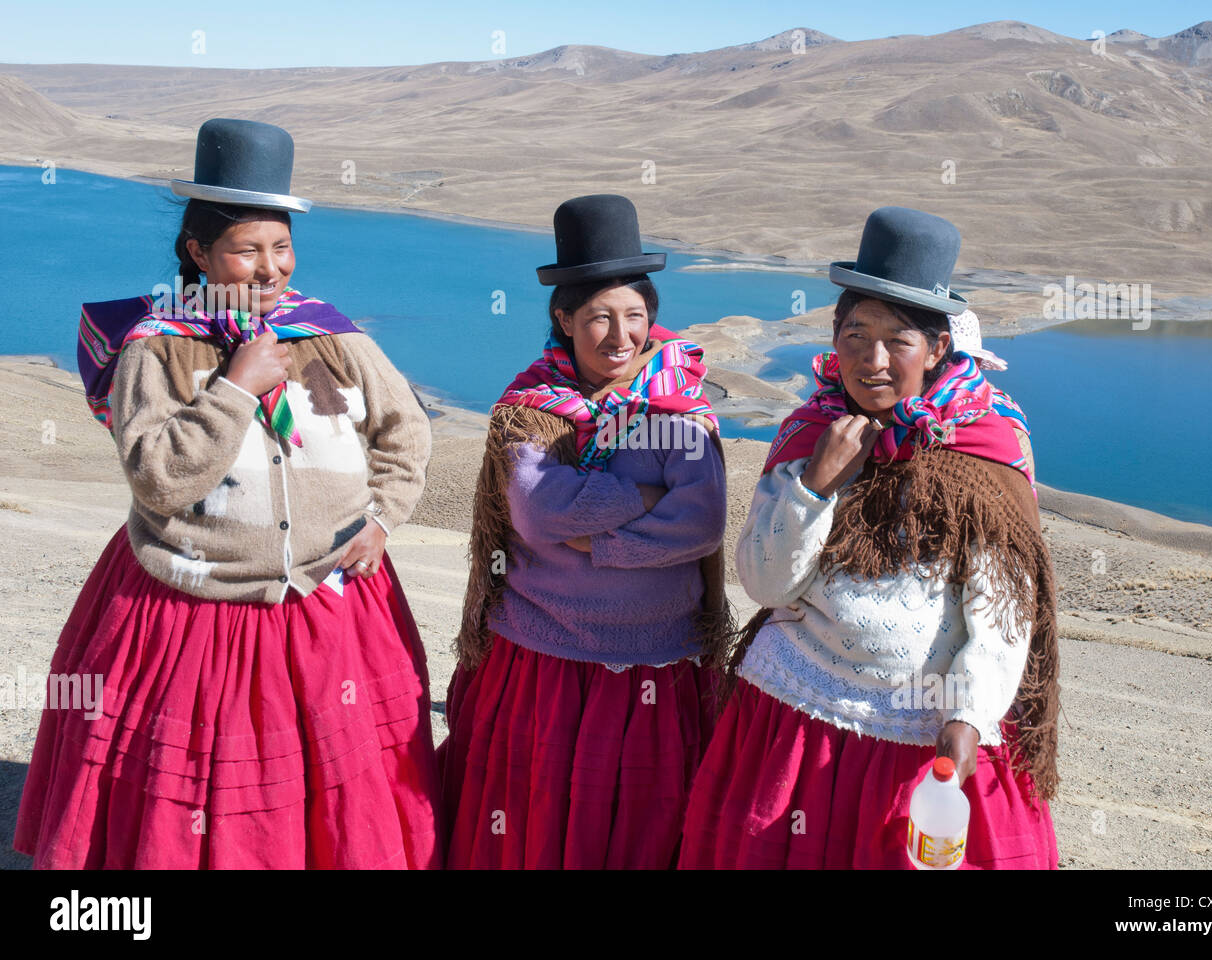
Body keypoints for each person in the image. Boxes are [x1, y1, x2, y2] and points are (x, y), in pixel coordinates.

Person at [15, 118, 443, 869]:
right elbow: (157, 476)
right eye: (248, 250)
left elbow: (406, 432)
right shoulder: (157, 348)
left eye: (281, 247)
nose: (271, 268)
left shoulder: (328, 338)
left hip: (330, 598)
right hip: (191, 607)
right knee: (197, 794)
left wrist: (383, 515)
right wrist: (235, 390)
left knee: (333, 793)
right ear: (199, 253)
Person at [679, 206, 1059, 869]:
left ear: (939, 348)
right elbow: (766, 584)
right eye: (854, 334)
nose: (871, 360)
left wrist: (967, 718)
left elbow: (1003, 617)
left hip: (926, 738)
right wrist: (816, 484)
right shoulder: (810, 434)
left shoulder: (984, 452)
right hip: (792, 724)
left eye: (898, 340)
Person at [442, 194, 730, 868]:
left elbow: (702, 522)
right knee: (533, 817)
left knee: (633, 827)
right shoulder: (532, 407)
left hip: (653, 663)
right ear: (563, 318)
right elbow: (539, 512)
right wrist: (644, 493)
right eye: (598, 317)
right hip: (541, 657)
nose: (620, 336)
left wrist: (600, 540)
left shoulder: (678, 408)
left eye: (635, 317)